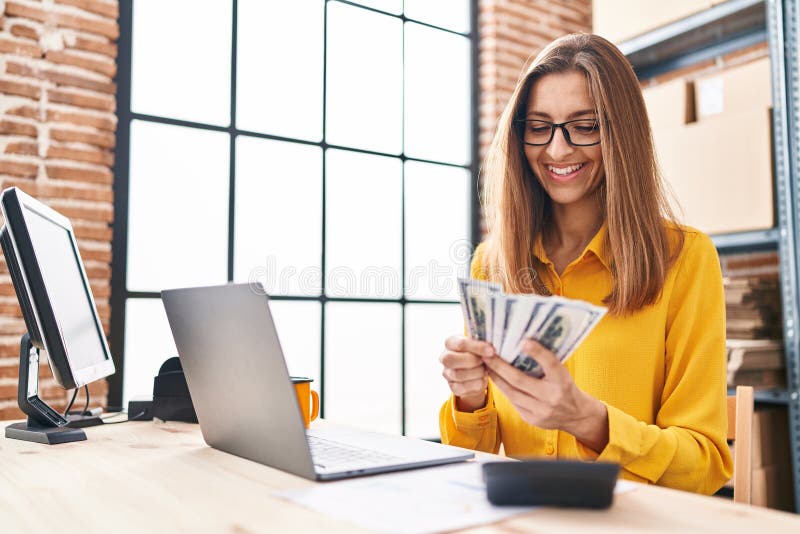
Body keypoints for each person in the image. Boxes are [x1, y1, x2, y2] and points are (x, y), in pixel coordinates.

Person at [438, 33, 733, 494]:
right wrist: (470, 397)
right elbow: (474, 452)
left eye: (585, 125)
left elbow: (705, 465)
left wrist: (589, 422)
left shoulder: (687, 259)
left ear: (621, 133)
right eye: (538, 127)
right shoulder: (491, 264)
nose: (557, 150)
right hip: (524, 519)